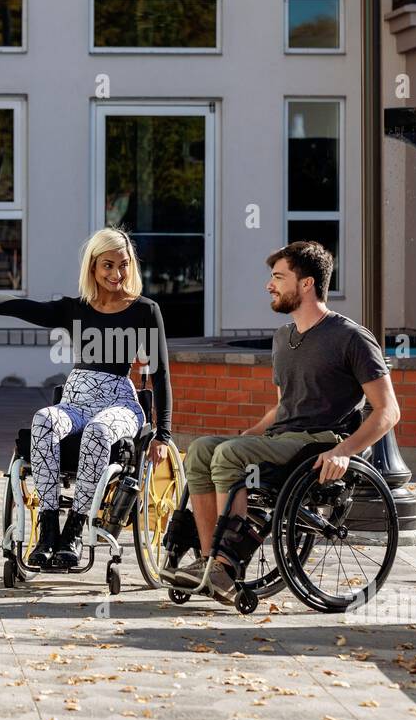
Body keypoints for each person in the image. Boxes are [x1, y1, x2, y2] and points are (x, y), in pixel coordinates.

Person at [0, 227, 172, 569]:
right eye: (108, 266)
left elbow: (160, 374)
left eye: (123, 265)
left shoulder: (145, 310)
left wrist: (163, 433)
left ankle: (75, 532)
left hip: (119, 402)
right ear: (93, 268)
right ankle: (48, 530)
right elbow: (17, 307)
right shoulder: (75, 309)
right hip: (76, 400)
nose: (117, 274)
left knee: (98, 431)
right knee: (44, 419)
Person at [163, 241, 400, 603]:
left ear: (306, 284)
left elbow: (388, 411)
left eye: (278, 277)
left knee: (228, 455)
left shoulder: (350, 337)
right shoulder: (282, 337)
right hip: (282, 438)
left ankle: (226, 566)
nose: (268, 285)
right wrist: (251, 434)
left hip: (318, 442)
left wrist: (344, 451)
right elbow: (283, 407)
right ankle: (212, 561)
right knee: (200, 450)